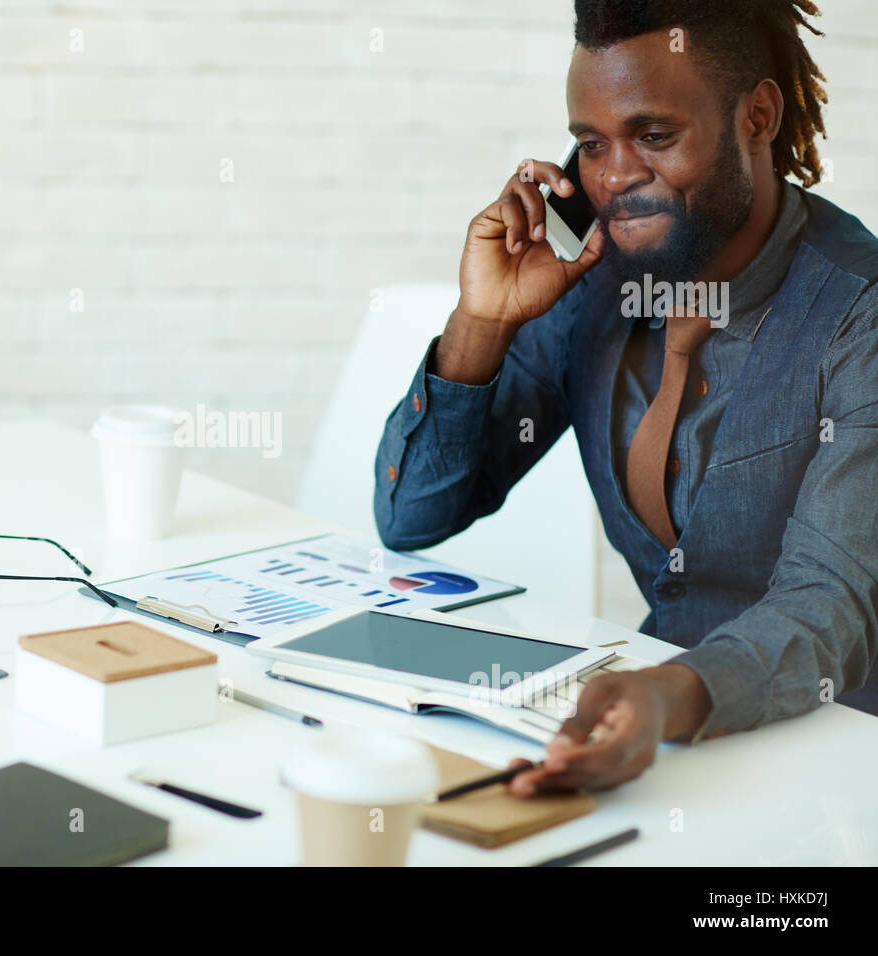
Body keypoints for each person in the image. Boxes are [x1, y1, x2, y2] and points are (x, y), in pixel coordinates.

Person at [373, 0, 878, 795]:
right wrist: (482, 320)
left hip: (836, 759)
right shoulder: (593, 286)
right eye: (590, 145)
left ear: (758, 114)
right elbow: (413, 521)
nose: (613, 180)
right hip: (662, 746)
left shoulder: (859, 312)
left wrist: (666, 695)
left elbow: (832, 604)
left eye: (653, 137)